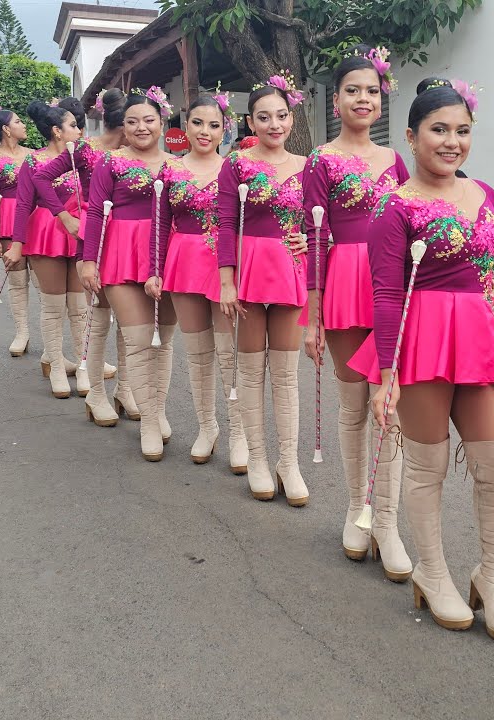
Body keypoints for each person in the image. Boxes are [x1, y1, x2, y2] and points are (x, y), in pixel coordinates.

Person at [349, 77, 494, 643]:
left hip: (479, 339)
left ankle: (491, 578)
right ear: (411, 136)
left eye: (462, 131)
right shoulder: (394, 207)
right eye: (439, 130)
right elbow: (384, 293)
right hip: (421, 339)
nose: (452, 142)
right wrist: (386, 374)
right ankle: (433, 571)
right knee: (427, 468)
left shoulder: (484, 193)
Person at [303, 45, 412, 575]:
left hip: (393, 283)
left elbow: (418, 216)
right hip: (345, 283)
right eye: (353, 90)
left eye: (372, 90)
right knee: (353, 407)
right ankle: (356, 508)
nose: (363, 99)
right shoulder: (321, 161)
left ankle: (388, 523)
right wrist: (315, 311)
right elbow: (314, 235)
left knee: (387, 404)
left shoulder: (395, 160)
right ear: (336, 100)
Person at [216, 72, 310, 505]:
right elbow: (225, 224)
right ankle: (256, 457)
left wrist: (309, 239)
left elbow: (317, 222)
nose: (275, 124)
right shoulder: (236, 164)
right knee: (251, 372)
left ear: (292, 119)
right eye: (264, 117)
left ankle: (287, 462)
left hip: (290, 269)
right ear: (250, 123)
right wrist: (226, 281)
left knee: (287, 376)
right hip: (250, 270)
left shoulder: (307, 166)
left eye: (282, 116)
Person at [79, 87, 174, 461]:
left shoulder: (176, 165)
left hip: (165, 255)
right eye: (132, 121)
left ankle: (158, 409)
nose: (140, 127)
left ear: (162, 123)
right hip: (119, 253)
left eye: (148, 120)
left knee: (162, 342)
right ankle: (149, 422)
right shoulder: (111, 162)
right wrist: (89, 261)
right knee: (137, 341)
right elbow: (92, 212)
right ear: (123, 125)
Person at [148, 90, 241, 467]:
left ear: (225, 130)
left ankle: (239, 433)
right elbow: (160, 223)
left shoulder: (235, 168)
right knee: (198, 353)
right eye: (198, 123)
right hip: (183, 262)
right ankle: (208, 427)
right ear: (184, 126)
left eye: (214, 125)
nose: (205, 132)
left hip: (225, 266)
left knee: (229, 353)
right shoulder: (169, 169)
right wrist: (155, 269)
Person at [30, 90, 131, 420]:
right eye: (137, 122)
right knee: (91, 313)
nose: (146, 130)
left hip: (126, 244)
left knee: (128, 321)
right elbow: (41, 177)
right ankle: (78, 376)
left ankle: (120, 387)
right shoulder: (86, 152)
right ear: (123, 124)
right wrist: (63, 215)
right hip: (91, 239)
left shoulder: (141, 157)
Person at [5, 98, 93, 400]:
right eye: (73, 126)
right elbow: (23, 204)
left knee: (80, 308)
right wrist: (16, 245)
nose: (79, 131)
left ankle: (83, 366)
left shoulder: (82, 156)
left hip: (80, 230)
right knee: (53, 307)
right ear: (57, 131)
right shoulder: (34, 161)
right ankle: (55, 364)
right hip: (46, 231)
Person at [0, 106, 36, 358]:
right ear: (6, 128)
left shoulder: (35, 156)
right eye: (19, 121)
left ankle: (52, 341)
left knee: (47, 286)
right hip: (8, 221)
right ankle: (21, 331)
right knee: (17, 281)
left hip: (38, 219)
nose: (24, 125)